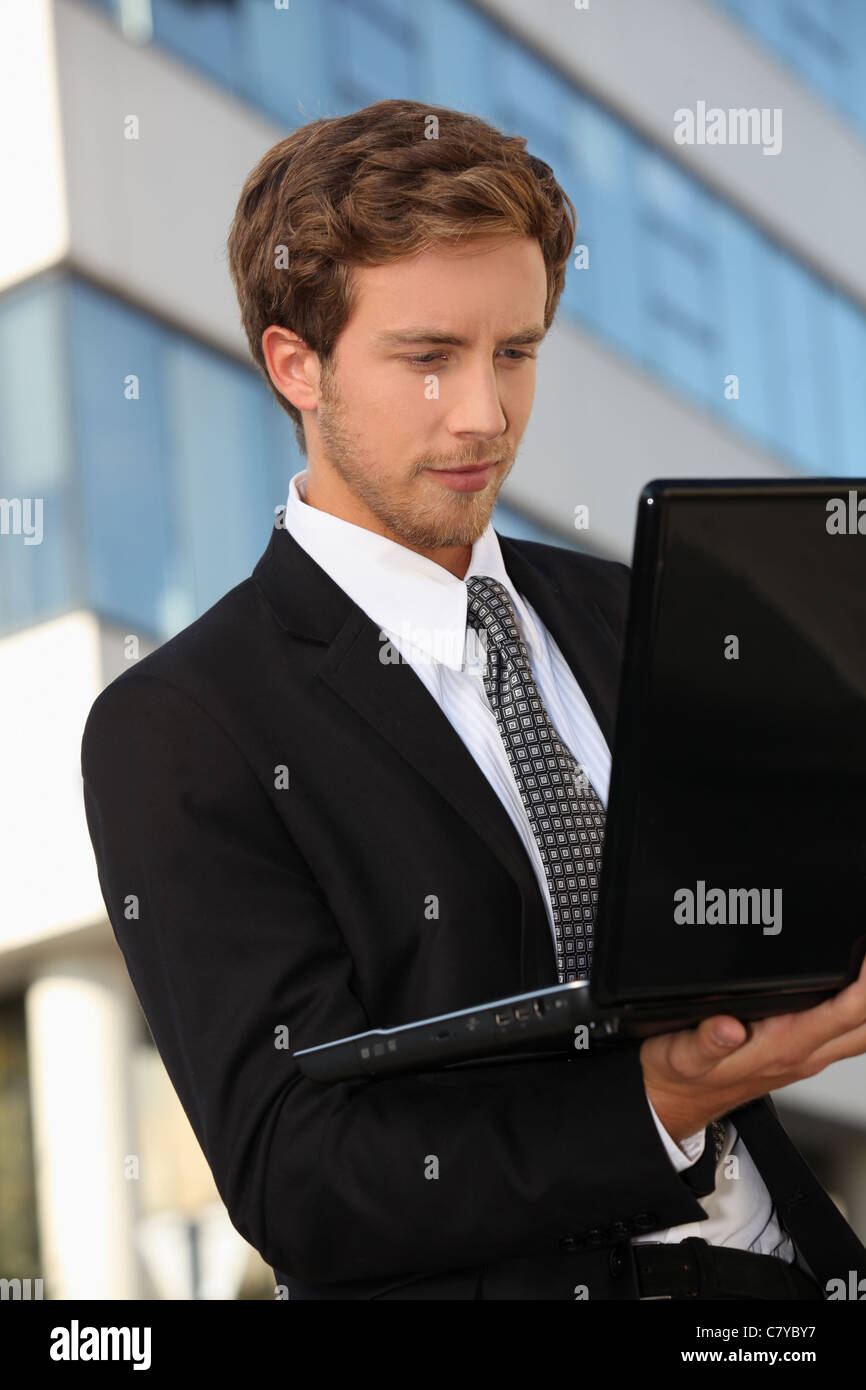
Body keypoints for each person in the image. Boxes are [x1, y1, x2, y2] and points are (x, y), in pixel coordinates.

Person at [81, 98, 866, 1301]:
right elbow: (297, 1174)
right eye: (428, 358)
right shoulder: (181, 725)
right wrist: (657, 1100)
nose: (484, 415)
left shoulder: (631, 611)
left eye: (514, 353)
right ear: (295, 363)